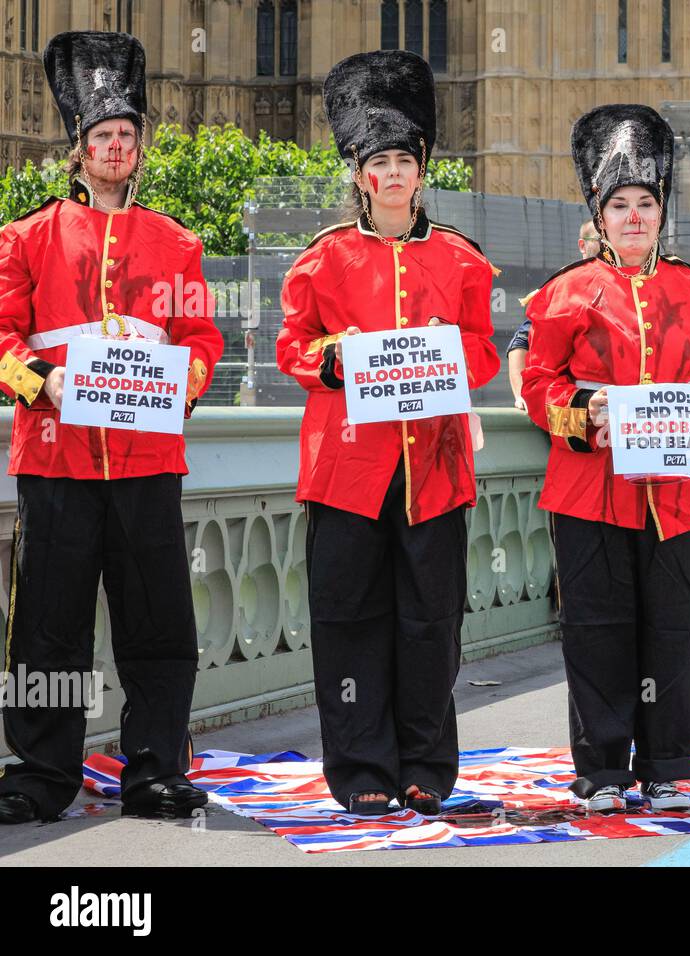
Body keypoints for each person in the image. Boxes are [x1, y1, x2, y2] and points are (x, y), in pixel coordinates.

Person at [0, 31, 224, 824]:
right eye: (104, 136)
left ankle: (157, 769)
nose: (117, 146)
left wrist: (181, 387)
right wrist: (41, 378)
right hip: (55, 460)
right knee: (48, 630)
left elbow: (203, 339)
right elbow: (2, 336)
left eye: (128, 134)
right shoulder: (26, 238)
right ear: (80, 148)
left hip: (145, 460)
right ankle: (39, 773)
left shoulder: (176, 243)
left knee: (159, 625)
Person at [276, 50, 499, 815]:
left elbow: (482, 352)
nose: (395, 173)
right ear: (362, 175)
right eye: (381, 162)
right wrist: (332, 362)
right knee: (349, 622)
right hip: (347, 472)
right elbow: (292, 348)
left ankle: (426, 769)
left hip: (434, 470)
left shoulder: (463, 261)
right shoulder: (322, 259)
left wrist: (448, 356)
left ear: (422, 170)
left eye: (406, 160)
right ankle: (361, 769)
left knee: (431, 621)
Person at [521, 105, 690, 811]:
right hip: (590, 490)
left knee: (677, 629)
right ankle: (604, 770)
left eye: (646, 203)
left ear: (661, 211)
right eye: (621, 205)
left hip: (682, 494)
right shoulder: (563, 294)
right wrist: (585, 418)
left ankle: (670, 765)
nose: (635, 216)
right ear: (600, 216)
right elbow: (538, 384)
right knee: (597, 630)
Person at [508, 221, 601, 410]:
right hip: (579, 412)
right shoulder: (564, 286)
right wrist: (521, 395)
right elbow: (522, 340)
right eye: (601, 240)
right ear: (582, 246)